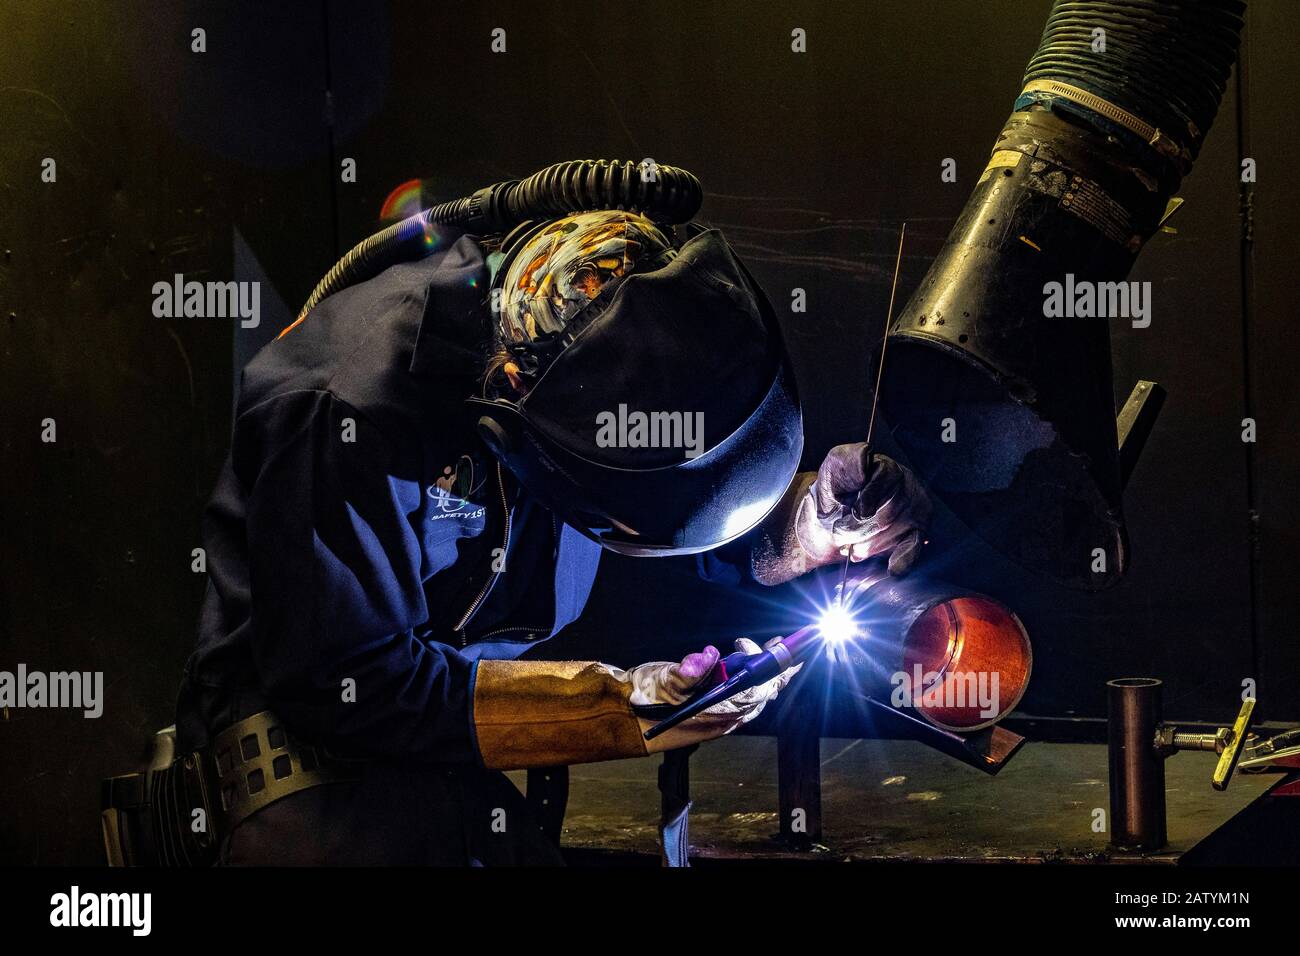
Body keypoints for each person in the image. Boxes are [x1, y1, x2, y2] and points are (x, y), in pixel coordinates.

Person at [175, 207, 930, 865]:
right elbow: (354, 688)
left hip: (445, 764)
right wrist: (618, 705)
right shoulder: (343, 412)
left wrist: (808, 528)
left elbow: (657, 511)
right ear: (517, 426)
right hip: (312, 792)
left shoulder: (614, 346)